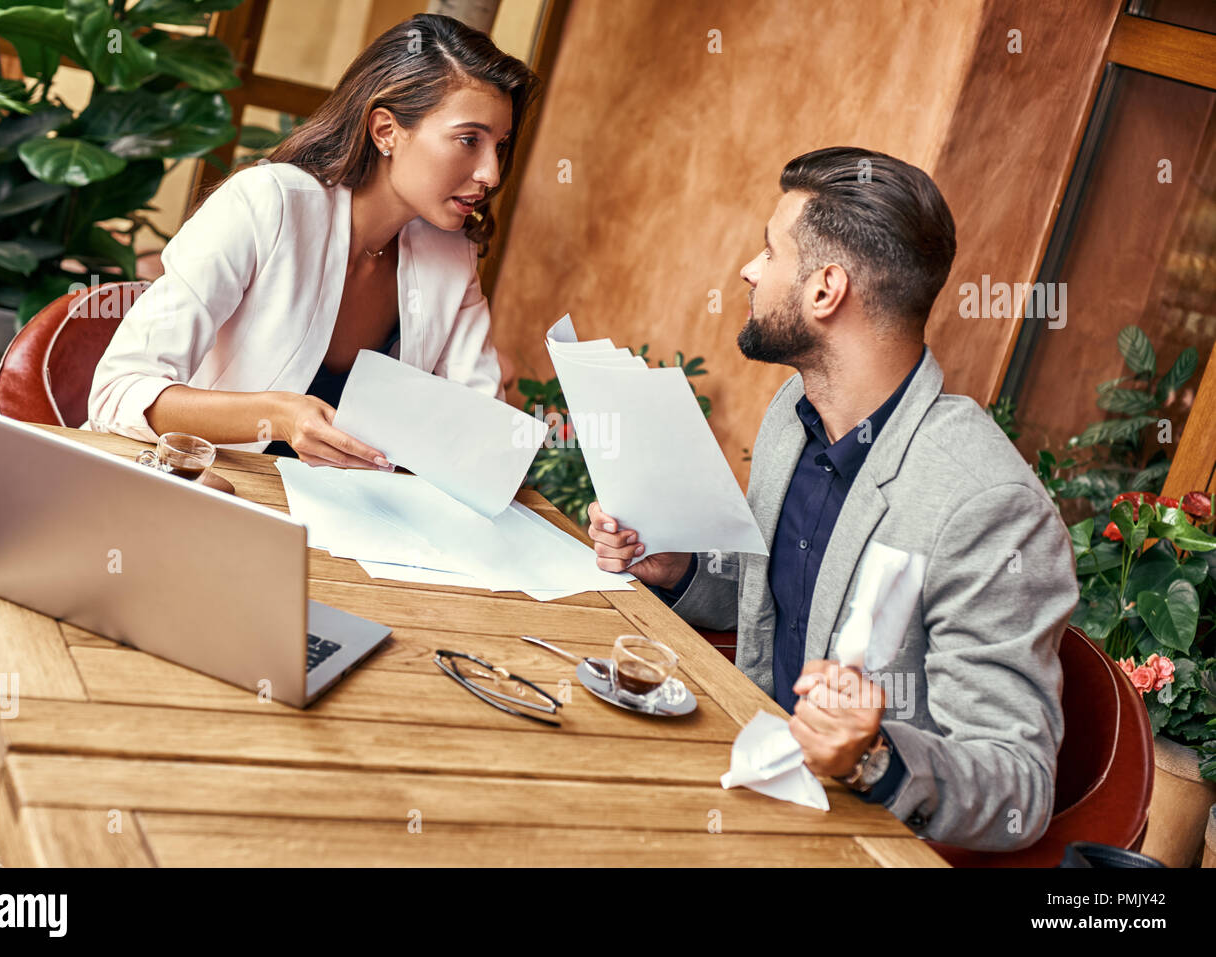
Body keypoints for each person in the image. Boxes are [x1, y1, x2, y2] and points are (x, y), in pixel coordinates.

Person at [586, 146, 1079, 852]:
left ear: (825, 289)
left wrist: (872, 756)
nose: (750, 271)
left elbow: (1018, 786)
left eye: (768, 251)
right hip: (741, 786)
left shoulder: (990, 505)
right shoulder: (796, 410)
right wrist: (680, 568)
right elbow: (786, 605)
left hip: (849, 839)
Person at [84, 13, 538, 469]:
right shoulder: (266, 204)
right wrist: (278, 415)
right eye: (468, 140)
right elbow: (118, 393)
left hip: (338, 526)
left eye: (499, 145)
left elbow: (483, 444)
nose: (491, 173)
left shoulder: (451, 255)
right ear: (386, 131)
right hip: (198, 492)